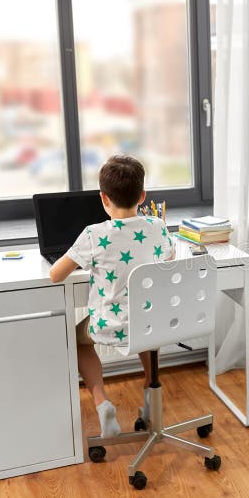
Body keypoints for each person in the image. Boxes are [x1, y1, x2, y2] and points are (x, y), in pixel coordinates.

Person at [50, 154, 174, 437]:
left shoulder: (93, 235)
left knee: (77, 340)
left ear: (104, 198)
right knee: (146, 331)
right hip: (150, 321)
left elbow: (56, 275)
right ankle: (150, 396)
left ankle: (102, 403)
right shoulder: (158, 226)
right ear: (142, 196)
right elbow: (169, 259)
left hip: (110, 325)